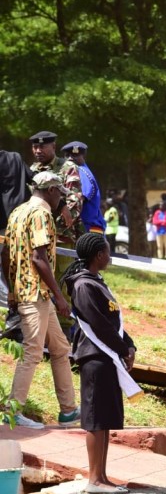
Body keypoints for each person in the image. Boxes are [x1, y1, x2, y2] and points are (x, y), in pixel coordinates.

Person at [62, 233, 140, 493]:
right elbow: (98, 323)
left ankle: (103, 476)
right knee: (95, 418)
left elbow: (114, 324)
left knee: (105, 416)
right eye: (107, 251)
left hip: (107, 354)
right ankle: (94, 479)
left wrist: (129, 346)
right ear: (98, 255)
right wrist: (121, 348)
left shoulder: (97, 282)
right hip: (94, 356)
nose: (110, 256)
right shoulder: (84, 285)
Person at [3, 172, 80, 428]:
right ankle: (13, 411)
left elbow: (5, 253)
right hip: (37, 294)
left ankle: (68, 410)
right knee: (32, 353)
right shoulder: (42, 214)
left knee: (59, 349)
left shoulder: (18, 211)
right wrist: (60, 297)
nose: (61, 199)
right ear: (50, 191)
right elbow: (38, 258)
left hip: (30, 293)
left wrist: (12, 290)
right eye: (60, 193)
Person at [28, 131, 83, 242]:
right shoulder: (32, 170)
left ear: (53, 146)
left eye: (42, 147)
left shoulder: (67, 167)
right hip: (37, 232)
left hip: (61, 235)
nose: (38, 151)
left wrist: (54, 228)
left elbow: (74, 201)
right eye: (35, 147)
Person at [61, 142, 105, 235]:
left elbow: (78, 200)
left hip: (88, 228)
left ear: (83, 155)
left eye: (75, 155)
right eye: (67, 155)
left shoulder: (80, 172)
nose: (71, 158)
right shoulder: (81, 170)